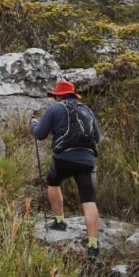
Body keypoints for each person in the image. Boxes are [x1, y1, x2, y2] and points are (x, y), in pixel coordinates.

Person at [30, 80, 102, 260]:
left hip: (63, 158)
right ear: (74, 94)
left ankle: (60, 221)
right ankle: (93, 244)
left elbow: (40, 135)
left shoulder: (55, 109)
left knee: (53, 182)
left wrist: (33, 124)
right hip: (87, 159)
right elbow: (98, 137)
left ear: (58, 95)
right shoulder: (87, 110)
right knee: (88, 200)